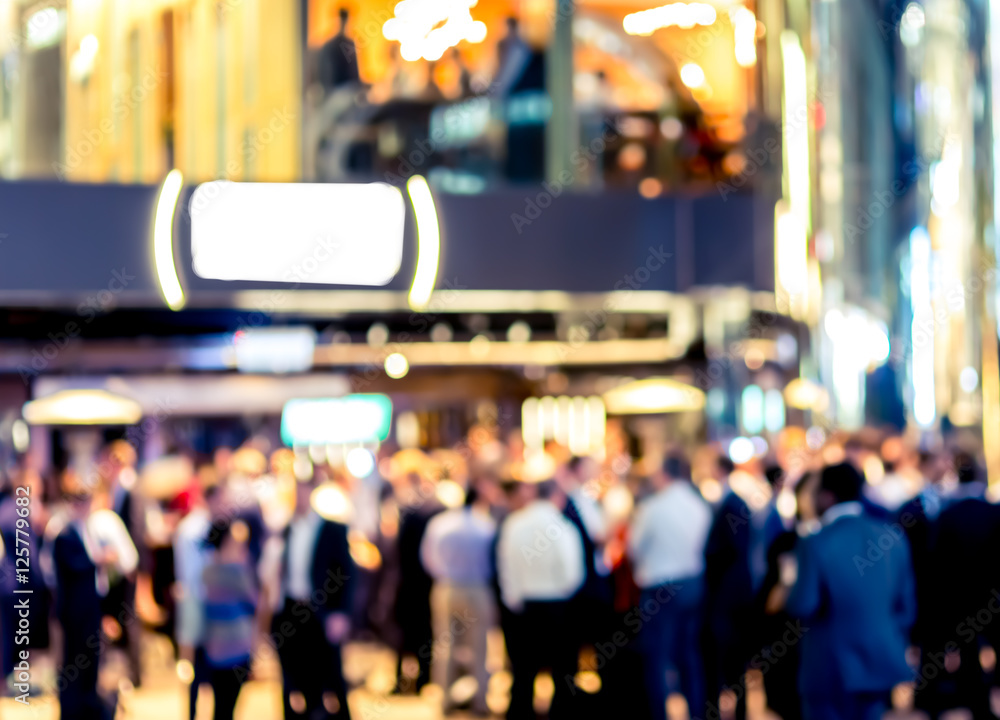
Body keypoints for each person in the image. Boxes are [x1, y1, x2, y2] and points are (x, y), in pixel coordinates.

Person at [785, 462, 915, 720]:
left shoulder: (815, 542)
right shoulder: (892, 536)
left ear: (826, 495)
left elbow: (803, 605)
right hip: (878, 659)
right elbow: (906, 609)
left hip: (829, 665)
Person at [628, 454, 712, 720]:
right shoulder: (699, 504)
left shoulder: (653, 507)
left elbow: (633, 547)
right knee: (688, 654)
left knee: (656, 658)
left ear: (664, 474)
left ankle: (660, 714)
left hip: (659, 586)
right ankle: (697, 712)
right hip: (692, 584)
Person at [918, 451, 999, 719]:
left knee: (965, 652)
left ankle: (965, 704)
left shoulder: (947, 515)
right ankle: (980, 707)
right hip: (991, 597)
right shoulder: (993, 513)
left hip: (955, 598)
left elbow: (934, 559)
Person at [269, 472, 355, 720]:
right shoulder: (286, 529)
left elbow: (346, 574)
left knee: (331, 675)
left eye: (303, 491)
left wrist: (341, 612)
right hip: (292, 609)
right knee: (297, 674)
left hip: (322, 610)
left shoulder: (332, 529)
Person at [497, 479, 585, 720]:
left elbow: (505, 567)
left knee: (523, 670)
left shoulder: (514, 523)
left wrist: (513, 598)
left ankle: (520, 712)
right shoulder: (562, 526)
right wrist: (563, 593)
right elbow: (573, 571)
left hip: (525, 605)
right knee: (562, 670)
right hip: (557, 605)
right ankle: (561, 712)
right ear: (556, 496)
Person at [420, 484, 497, 716]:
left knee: (445, 644)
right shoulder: (484, 525)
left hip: (447, 587)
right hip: (476, 588)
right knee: (479, 645)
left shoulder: (440, 524)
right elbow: (492, 561)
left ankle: (444, 698)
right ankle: (480, 698)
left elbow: (428, 558)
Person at [52, 479, 116, 720]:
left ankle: (90, 703)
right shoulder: (64, 534)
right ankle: (72, 708)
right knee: (74, 662)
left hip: (90, 607)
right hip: (74, 611)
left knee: (91, 658)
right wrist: (99, 559)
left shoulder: (88, 530)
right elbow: (75, 566)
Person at [701, 455, 754, 720]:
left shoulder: (732, 504)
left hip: (728, 595)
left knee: (726, 658)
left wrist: (709, 556)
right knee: (733, 660)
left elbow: (732, 548)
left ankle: (731, 711)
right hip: (734, 593)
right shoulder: (733, 502)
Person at [393, 472, 444, 694]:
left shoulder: (428, 514)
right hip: (416, 582)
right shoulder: (428, 514)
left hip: (418, 582)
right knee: (412, 633)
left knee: (417, 634)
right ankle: (416, 680)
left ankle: (417, 679)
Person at [202, 519, 258, 720]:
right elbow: (256, 602)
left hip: (214, 650)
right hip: (237, 649)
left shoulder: (207, 572)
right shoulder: (236, 572)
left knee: (220, 706)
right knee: (229, 707)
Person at [318, 7, 360, 94]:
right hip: (333, 91)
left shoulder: (350, 44)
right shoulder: (329, 46)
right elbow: (325, 73)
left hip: (349, 90)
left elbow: (354, 72)